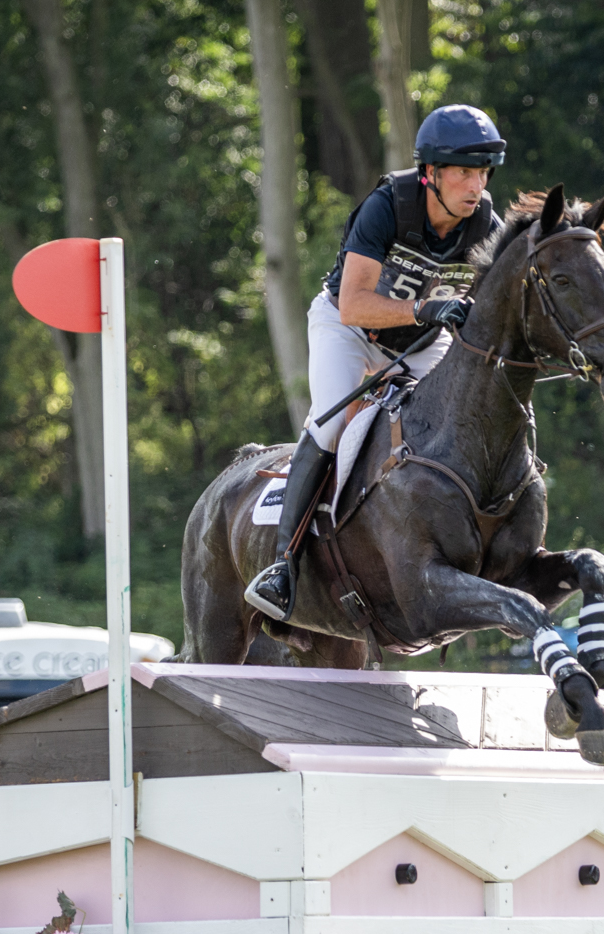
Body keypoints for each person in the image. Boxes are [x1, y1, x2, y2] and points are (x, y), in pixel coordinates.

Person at [246, 104, 506, 620]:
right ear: (430, 173)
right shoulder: (387, 207)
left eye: (482, 173)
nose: (475, 186)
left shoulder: (486, 228)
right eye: (462, 172)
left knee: (456, 423)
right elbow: (353, 304)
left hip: (422, 344)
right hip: (349, 330)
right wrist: (425, 308)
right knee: (330, 425)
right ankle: (283, 565)